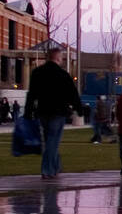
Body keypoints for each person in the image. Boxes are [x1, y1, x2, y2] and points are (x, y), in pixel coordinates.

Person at [25, 45, 81, 179]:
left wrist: (29, 111)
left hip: (43, 111)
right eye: (61, 58)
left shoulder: (37, 73)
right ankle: (48, 170)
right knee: (53, 141)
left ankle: (55, 167)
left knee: (49, 140)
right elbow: (72, 94)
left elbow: (32, 94)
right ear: (57, 58)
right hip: (58, 112)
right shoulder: (63, 75)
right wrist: (78, 108)